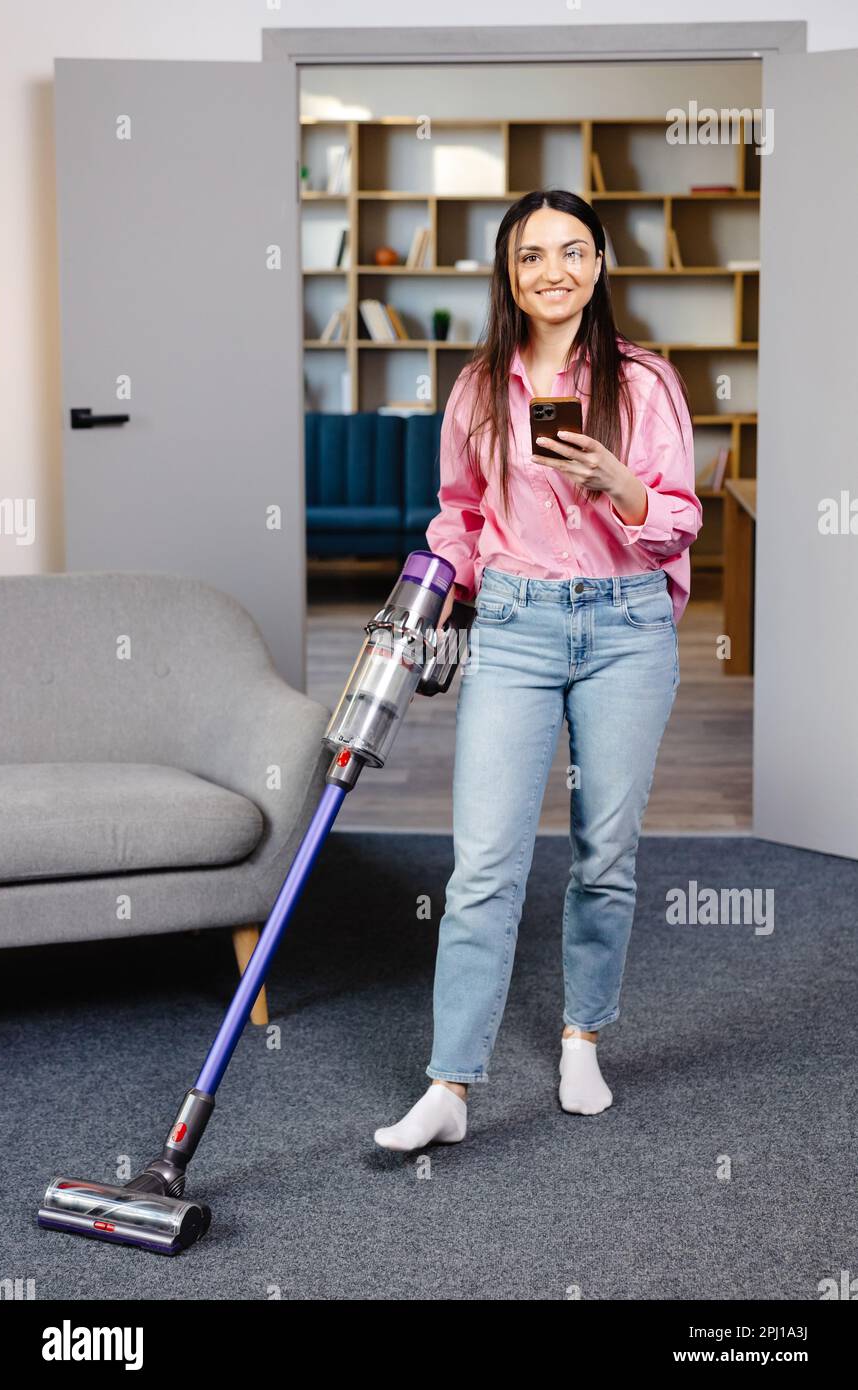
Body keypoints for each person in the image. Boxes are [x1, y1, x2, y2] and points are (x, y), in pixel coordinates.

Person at [374, 189, 703, 1152]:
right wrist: (425, 599)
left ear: (599, 264)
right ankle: (449, 1087)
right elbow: (462, 514)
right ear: (509, 276)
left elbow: (681, 519)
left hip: (626, 625)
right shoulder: (481, 386)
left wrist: (619, 484)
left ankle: (582, 1040)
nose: (551, 271)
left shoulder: (644, 381)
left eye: (571, 251)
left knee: (605, 853)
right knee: (483, 861)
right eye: (529, 256)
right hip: (514, 625)